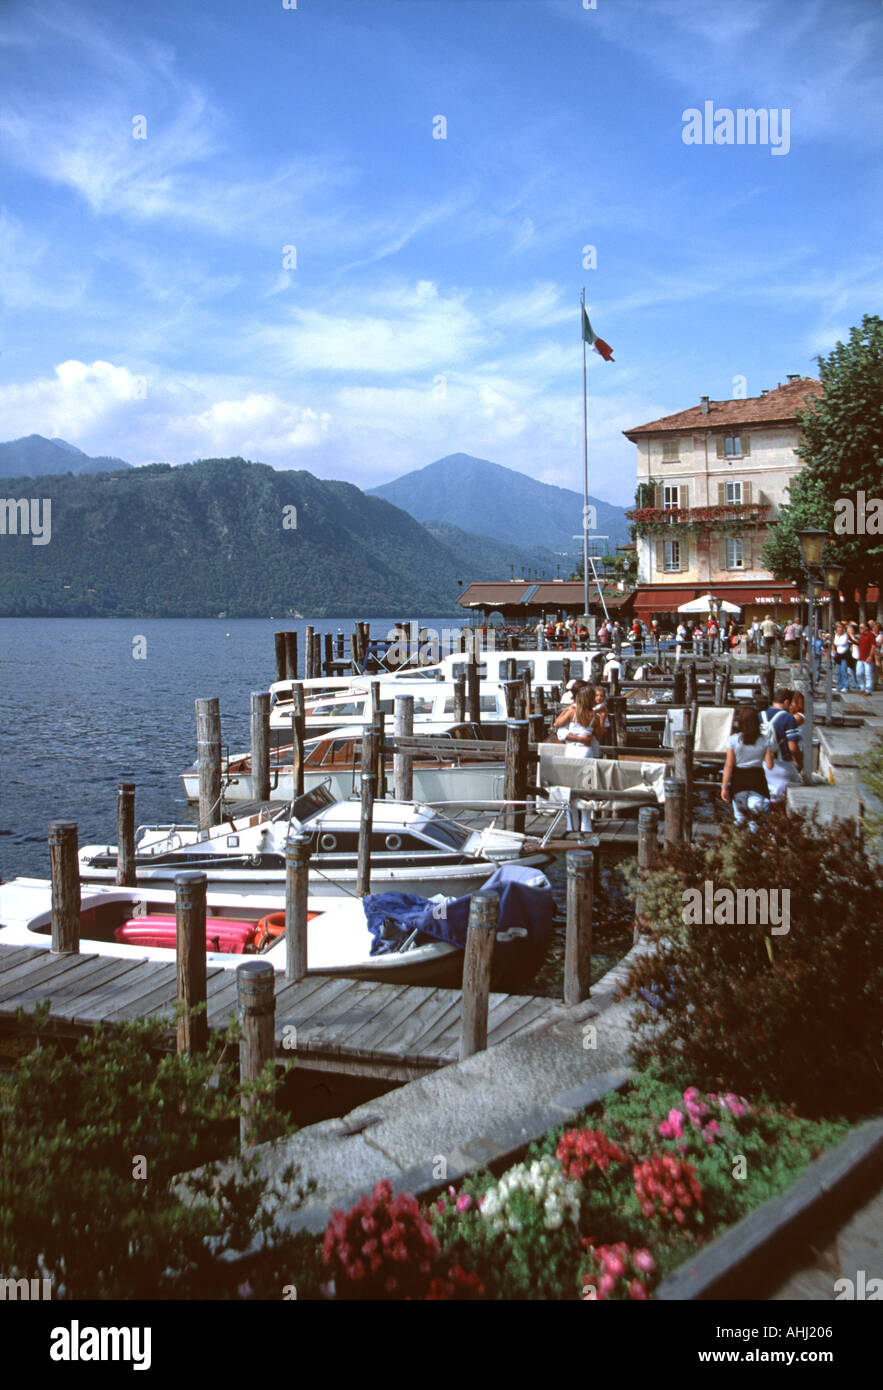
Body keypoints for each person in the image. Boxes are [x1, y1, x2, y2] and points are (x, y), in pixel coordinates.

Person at [721, 705, 774, 830]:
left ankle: (740, 844)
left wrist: (724, 787)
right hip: (757, 781)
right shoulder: (765, 740)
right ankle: (754, 845)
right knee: (755, 818)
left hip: (738, 781)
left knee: (739, 818)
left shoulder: (733, 740)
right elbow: (770, 765)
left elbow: (729, 765)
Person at [856, 621, 875, 694]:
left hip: (867, 658)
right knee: (859, 673)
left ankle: (868, 690)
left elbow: (873, 646)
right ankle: (862, 687)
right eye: (859, 627)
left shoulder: (871, 635)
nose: (860, 629)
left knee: (868, 674)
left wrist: (870, 656)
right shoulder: (861, 635)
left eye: (861, 627)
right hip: (860, 658)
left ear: (866, 628)